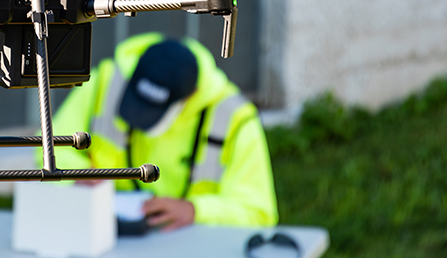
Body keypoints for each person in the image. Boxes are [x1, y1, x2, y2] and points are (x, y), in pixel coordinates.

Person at [51, 32, 278, 231]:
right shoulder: (104, 82)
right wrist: (77, 174)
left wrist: (195, 211)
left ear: (191, 97)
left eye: (153, 111)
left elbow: (258, 213)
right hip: (104, 234)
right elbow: (49, 146)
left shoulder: (236, 117)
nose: (140, 119)